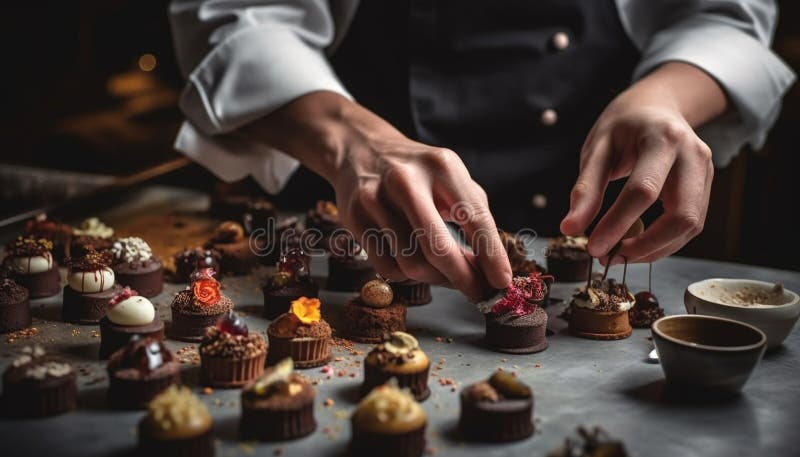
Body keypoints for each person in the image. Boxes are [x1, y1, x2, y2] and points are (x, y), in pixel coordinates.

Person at [169, 0, 794, 301]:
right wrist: (352, 143)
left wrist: (663, 99)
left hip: (582, 198)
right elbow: (235, 18)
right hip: (354, 240)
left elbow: (725, 16)